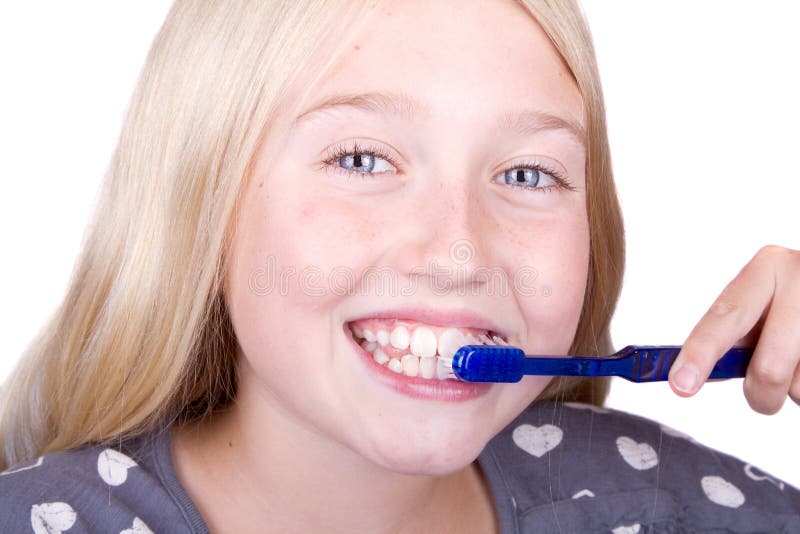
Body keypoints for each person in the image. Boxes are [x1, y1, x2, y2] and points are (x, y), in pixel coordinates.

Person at [1, 1, 799, 532]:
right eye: (360, 158)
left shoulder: (671, 504)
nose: (457, 254)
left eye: (527, 174)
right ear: (200, 202)